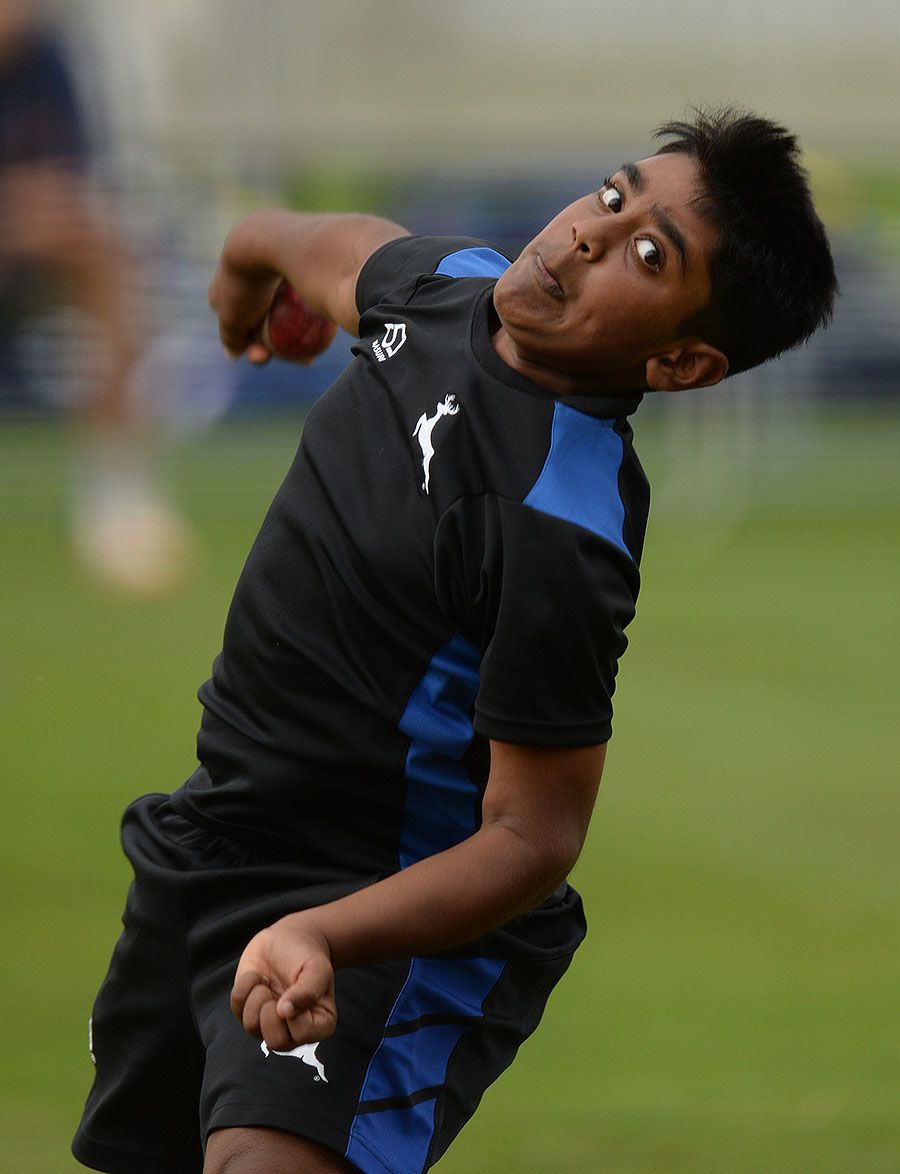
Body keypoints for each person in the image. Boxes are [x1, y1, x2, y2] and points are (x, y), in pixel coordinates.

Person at [73, 106, 836, 1174]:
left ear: (680, 362)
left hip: (386, 907)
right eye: (614, 199)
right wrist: (250, 284)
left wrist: (330, 932)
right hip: (218, 836)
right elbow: (296, 241)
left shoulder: (559, 528)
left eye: (649, 255)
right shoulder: (441, 287)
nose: (587, 235)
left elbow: (533, 838)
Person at [0, 0, 193, 595]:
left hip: (28, 252)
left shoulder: (49, 60)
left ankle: (115, 493)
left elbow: (71, 180)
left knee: (110, 255)